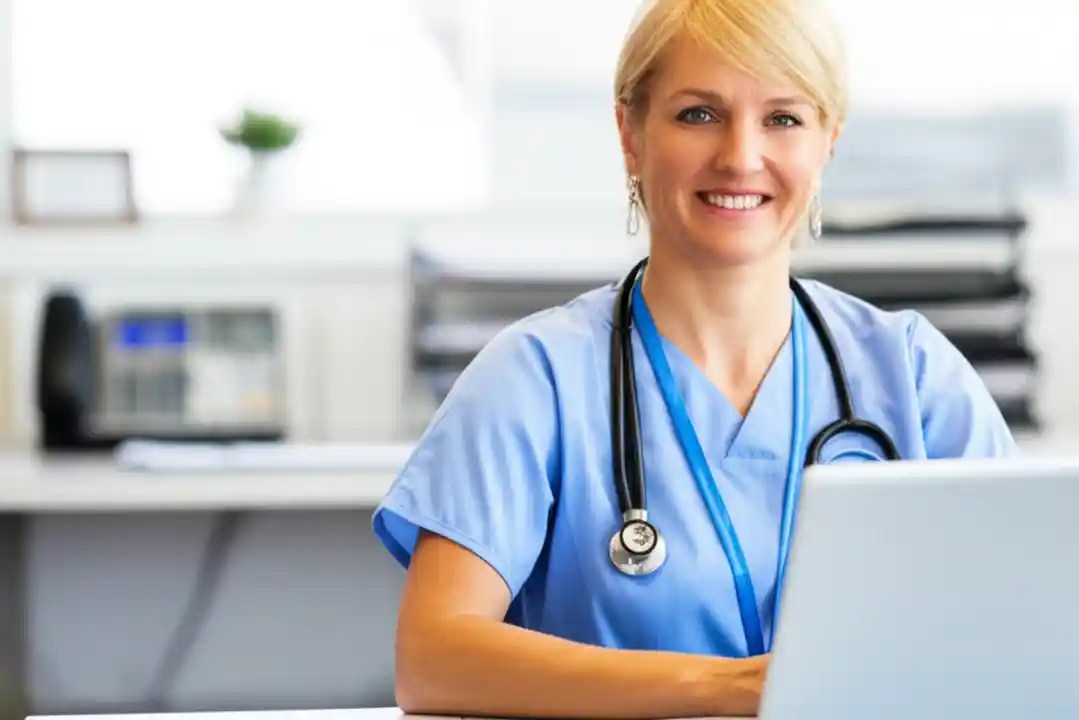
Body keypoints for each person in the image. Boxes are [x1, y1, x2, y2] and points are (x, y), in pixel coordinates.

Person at [373, 0, 1019, 716]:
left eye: (783, 119)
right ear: (630, 133)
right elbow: (434, 659)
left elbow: (1027, 624)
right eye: (698, 114)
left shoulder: (914, 375)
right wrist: (733, 689)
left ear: (828, 140)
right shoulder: (534, 378)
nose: (740, 156)